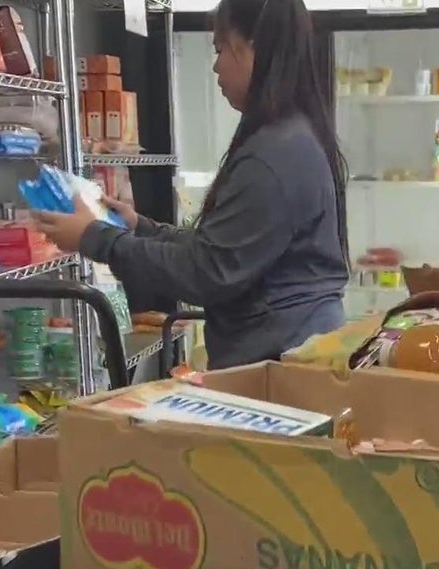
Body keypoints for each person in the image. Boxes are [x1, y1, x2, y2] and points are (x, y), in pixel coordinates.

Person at [35, 0, 349, 370]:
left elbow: (208, 272)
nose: (216, 65)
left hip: (280, 365)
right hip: (284, 353)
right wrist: (141, 228)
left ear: (254, 48)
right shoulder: (288, 137)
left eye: (220, 48)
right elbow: (223, 249)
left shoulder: (276, 153)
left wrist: (94, 238)